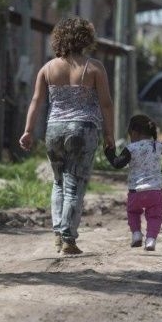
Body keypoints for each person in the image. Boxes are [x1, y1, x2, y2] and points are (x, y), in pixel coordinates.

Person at [19, 16, 114, 255]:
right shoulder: (94, 68)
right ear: (86, 39)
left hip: (54, 130)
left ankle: (57, 236)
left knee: (58, 182)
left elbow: (36, 101)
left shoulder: (48, 68)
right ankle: (68, 240)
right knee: (74, 185)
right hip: (83, 129)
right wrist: (109, 135)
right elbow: (106, 105)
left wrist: (28, 130)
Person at [104, 114, 162, 252]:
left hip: (135, 192)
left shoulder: (130, 148)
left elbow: (117, 163)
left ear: (134, 132)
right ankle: (150, 240)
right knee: (155, 216)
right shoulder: (157, 146)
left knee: (133, 212)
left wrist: (109, 152)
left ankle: (137, 234)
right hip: (155, 192)